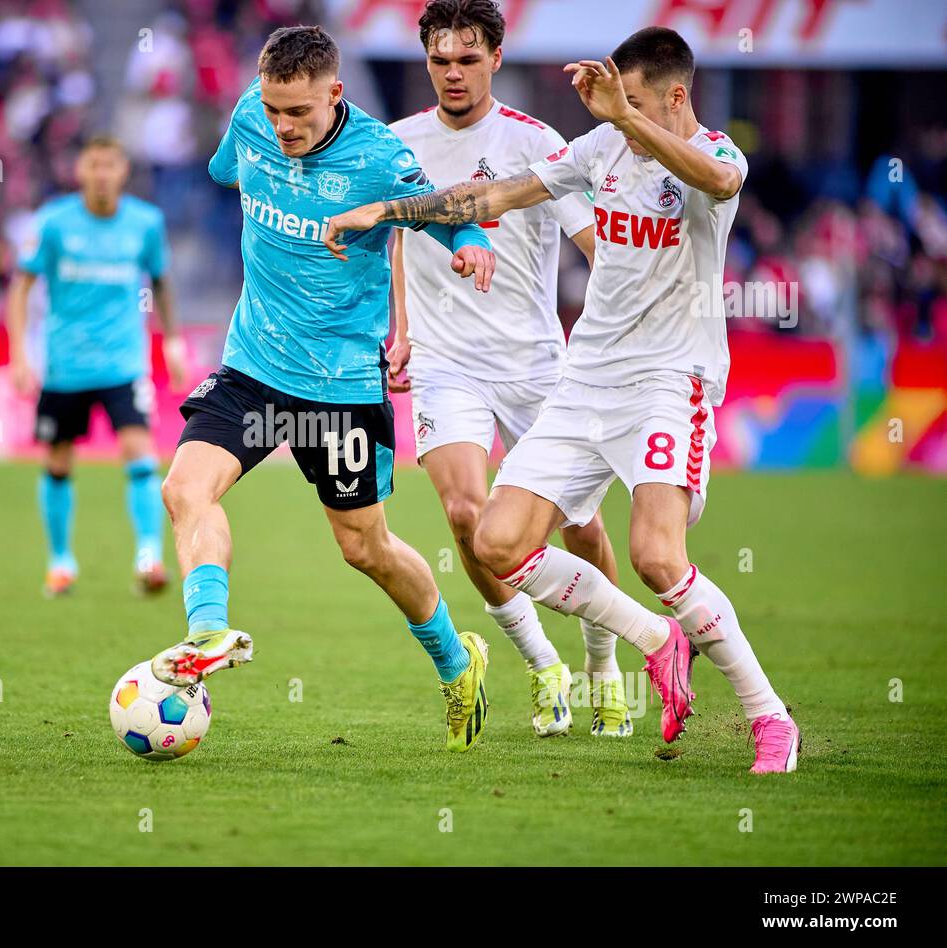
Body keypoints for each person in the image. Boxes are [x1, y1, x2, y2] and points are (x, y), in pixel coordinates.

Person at [325, 27, 800, 773]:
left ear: (676, 98)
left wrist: (626, 117)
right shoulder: (597, 152)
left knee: (655, 555)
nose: (622, 114)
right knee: (495, 543)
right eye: (621, 102)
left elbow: (720, 183)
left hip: (669, 382)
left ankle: (769, 719)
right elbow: (491, 195)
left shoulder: (714, 155)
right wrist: (387, 213)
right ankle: (657, 640)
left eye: (637, 101)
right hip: (584, 381)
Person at [151, 26, 499, 753]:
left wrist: (470, 245)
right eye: (274, 110)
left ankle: (457, 661)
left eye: (299, 114)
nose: (282, 127)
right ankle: (208, 632)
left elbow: (437, 211)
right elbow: (224, 168)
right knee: (185, 490)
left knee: (363, 547)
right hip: (253, 368)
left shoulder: (378, 156)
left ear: (335, 93)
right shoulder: (251, 115)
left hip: (339, 384)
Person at [389, 0, 630, 737]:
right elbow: (397, 239)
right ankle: (540, 666)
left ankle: (602, 666)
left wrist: (619, 334)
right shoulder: (398, 144)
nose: (452, 73)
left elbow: (601, 246)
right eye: (439, 59)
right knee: (467, 515)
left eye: (467, 59)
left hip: (535, 365)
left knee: (581, 527)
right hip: (443, 362)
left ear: (496, 57)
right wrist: (398, 329)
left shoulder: (538, 142)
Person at [7, 136, 188, 597]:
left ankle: (149, 557)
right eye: (94, 165)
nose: (102, 173)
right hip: (66, 365)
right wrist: (19, 353)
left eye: (111, 165)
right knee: (58, 459)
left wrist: (171, 341)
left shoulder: (145, 223)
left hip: (124, 364)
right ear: (80, 170)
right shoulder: (53, 223)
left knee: (139, 451)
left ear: (123, 171)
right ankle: (60, 561)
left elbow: (162, 282)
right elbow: (21, 288)